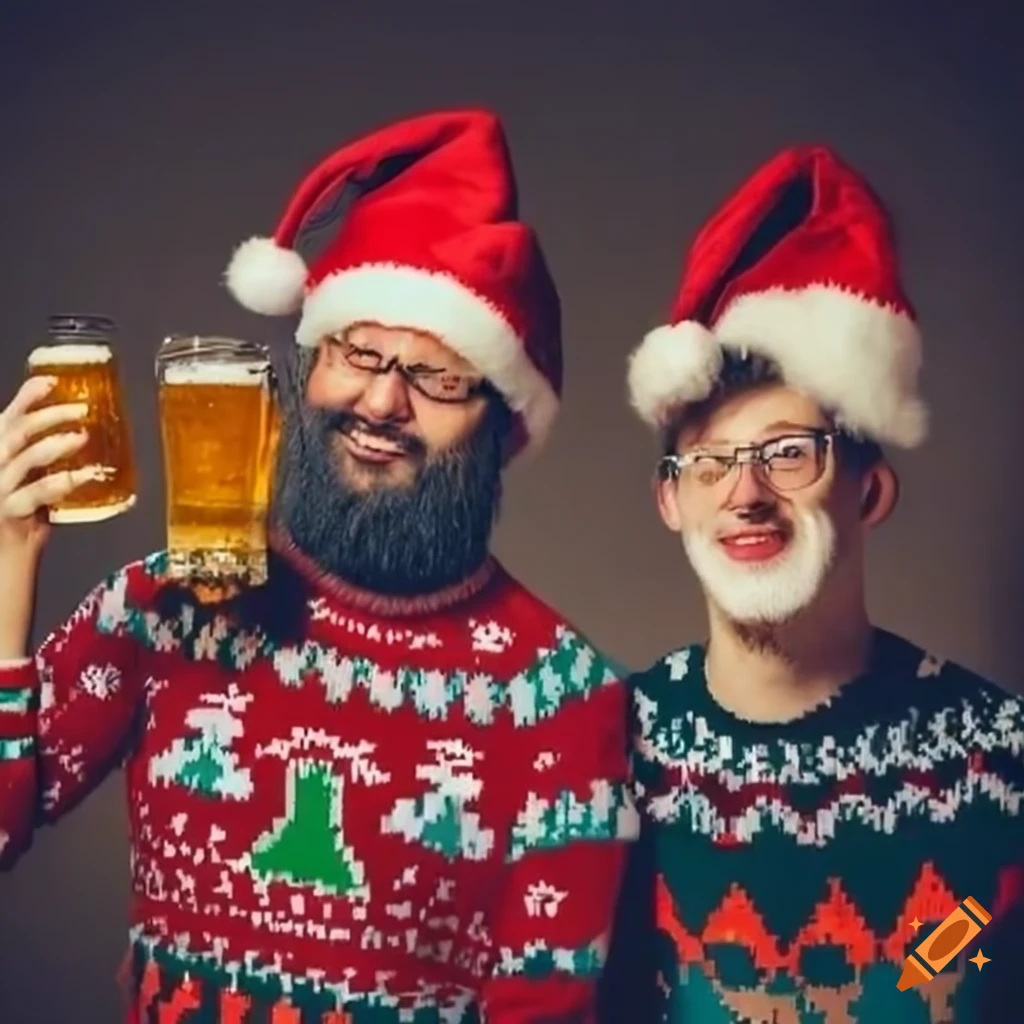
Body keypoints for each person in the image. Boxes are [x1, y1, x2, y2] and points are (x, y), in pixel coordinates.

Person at [0, 109, 637, 1022]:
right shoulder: (168, 605)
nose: (382, 401)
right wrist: (8, 557)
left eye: (439, 376)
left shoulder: (562, 698)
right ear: (307, 368)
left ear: (501, 423)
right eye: (359, 352)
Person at [602, 145, 1023, 1022]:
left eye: (789, 454)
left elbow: (948, 969)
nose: (747, 493)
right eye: (712, 462)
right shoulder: (600, 761)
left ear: (869, 491)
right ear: (671, 500)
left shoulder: (1003, 764)